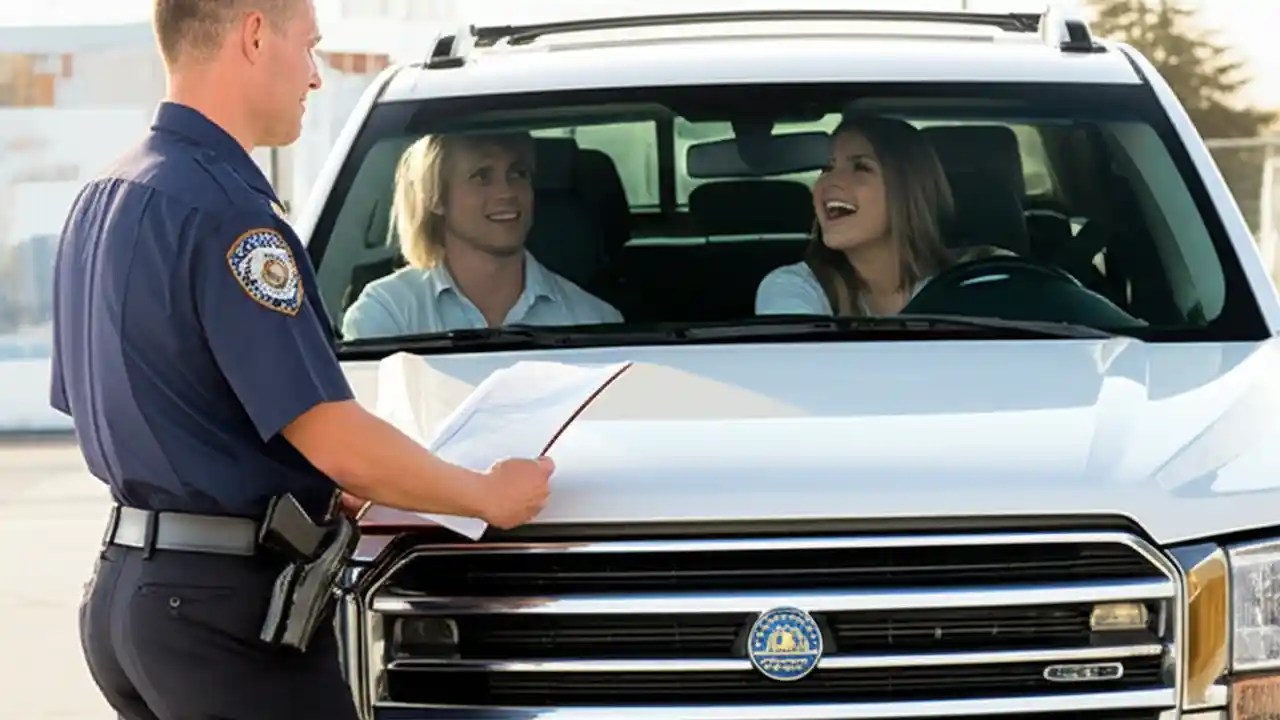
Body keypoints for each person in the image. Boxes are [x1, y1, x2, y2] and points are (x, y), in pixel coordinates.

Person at [48, 2, 552, 718]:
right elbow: (332, 436)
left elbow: (140, 405)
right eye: (309, 46)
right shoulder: (230, 215)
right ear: (255, 34)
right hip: (225, 615)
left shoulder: (106, 197)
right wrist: (484, 495)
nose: (315, 77)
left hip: (128, 600)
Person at [341, 131, 623, 340]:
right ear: (436, 197)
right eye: (481, 176)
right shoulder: (387, 315)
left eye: (519, 173)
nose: (507, 192)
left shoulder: (595, 320)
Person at [755, 114, 1006, 317]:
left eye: (861, 167)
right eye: (827, 167)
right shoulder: (795, 288)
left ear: (907, 188)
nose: (830, 181)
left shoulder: (983, 275)